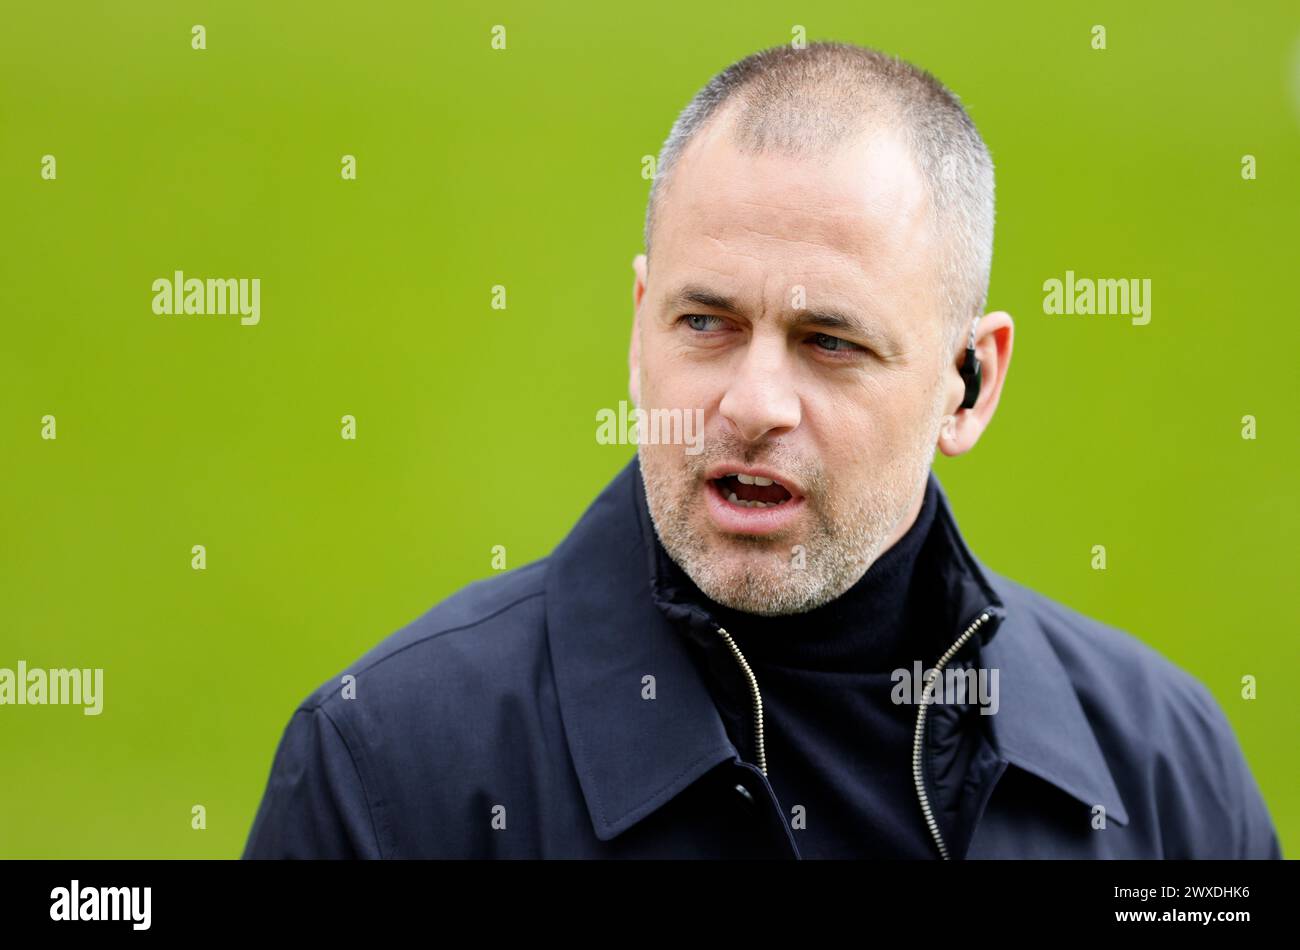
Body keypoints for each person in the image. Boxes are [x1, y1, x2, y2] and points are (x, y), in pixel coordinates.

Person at [243, 40, 1281, 859]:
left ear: (967, 384)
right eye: (706, 324)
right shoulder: (392, 770)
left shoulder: (1163, 776)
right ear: (639, 323)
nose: (751, 402)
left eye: (829, 342)